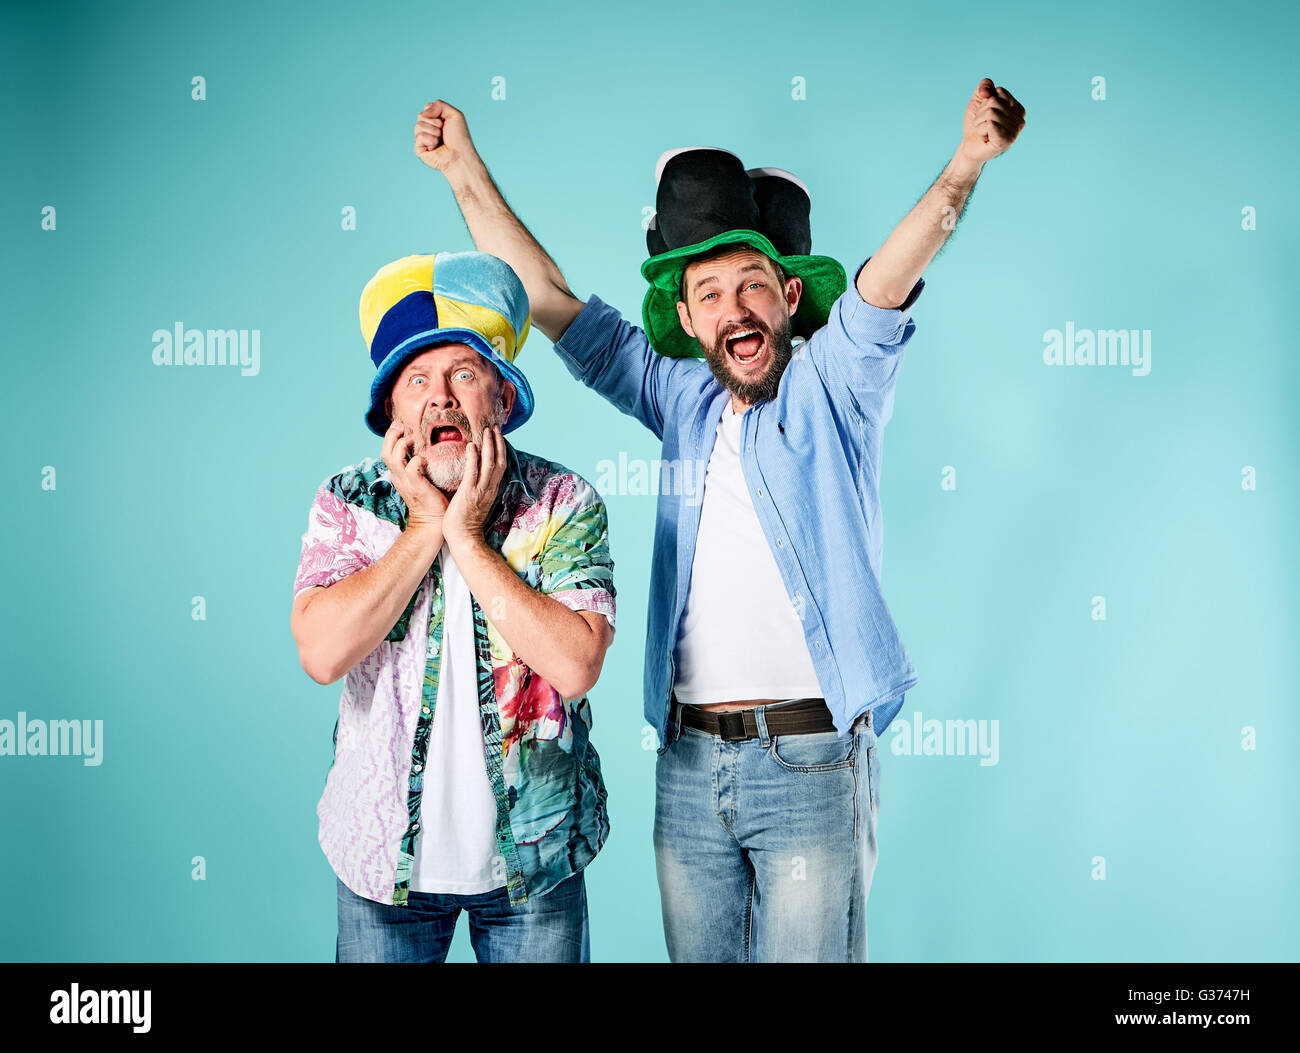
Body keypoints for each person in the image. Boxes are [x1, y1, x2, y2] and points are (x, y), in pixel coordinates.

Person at [412, 78, 1026, 962]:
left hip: (811, 758)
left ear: (786, 294)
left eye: (752, 286)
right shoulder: (681, 397)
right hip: (691, 766)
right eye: (710, 294)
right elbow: (547, 299)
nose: (734, 308)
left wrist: (966, 162)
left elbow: (886, 281)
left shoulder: (834, 385)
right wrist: (462, 169)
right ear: (690, 320)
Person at [290, 250, 617, 962]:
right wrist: (420, 530)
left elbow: (577, 662)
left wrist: (466, 536)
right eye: (417, 380)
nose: (441, 397)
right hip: (383, 868)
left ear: (501, 399)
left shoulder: (562, 501)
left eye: (464, 374)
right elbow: (320, 652)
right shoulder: (349, 501)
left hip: (535, 863)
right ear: (391, 410)